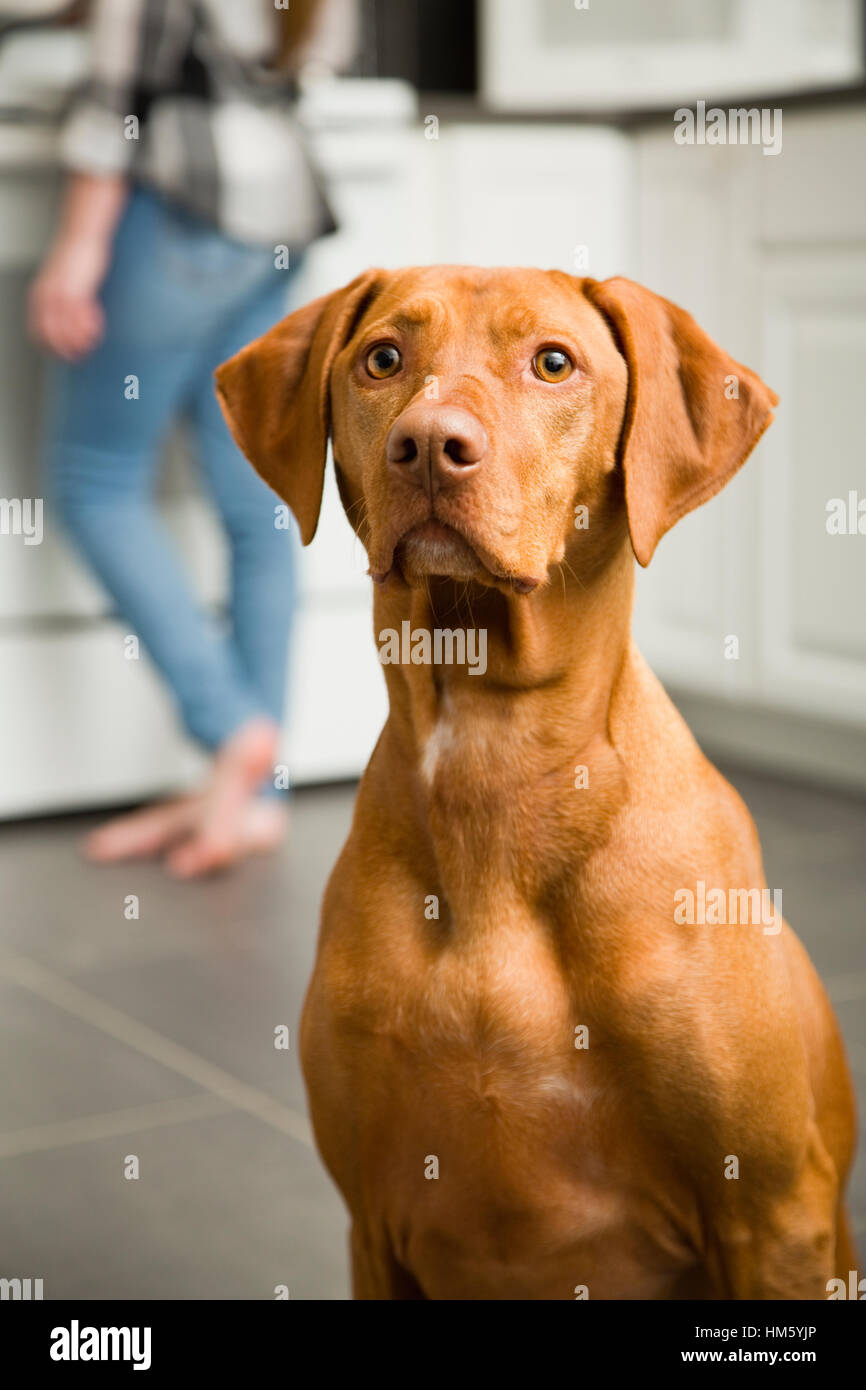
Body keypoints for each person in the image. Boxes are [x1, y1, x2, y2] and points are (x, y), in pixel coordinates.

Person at [28, 0, 357, 876]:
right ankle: (254, 794)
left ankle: (230, 727)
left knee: (93, 479)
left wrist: (76, 249)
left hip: (179, 213)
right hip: (274, 222)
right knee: (255, 504)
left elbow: (115, 103)